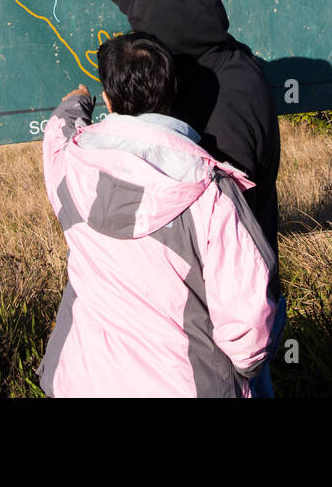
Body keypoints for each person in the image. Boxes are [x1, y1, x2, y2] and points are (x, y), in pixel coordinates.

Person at [21, 0, 282, 285]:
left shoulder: (229, 110)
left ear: (171, 42)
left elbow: (223, 223)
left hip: (225, 288)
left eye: (146, 33)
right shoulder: (207, 43)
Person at [38, 32, 278, 397]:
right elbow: (247, 325)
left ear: (108, 99)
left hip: (85, 381)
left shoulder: (70, 166)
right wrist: (241, 371)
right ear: (174, 90)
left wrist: (77, 101)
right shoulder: (210, 194)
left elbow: (59, 131)